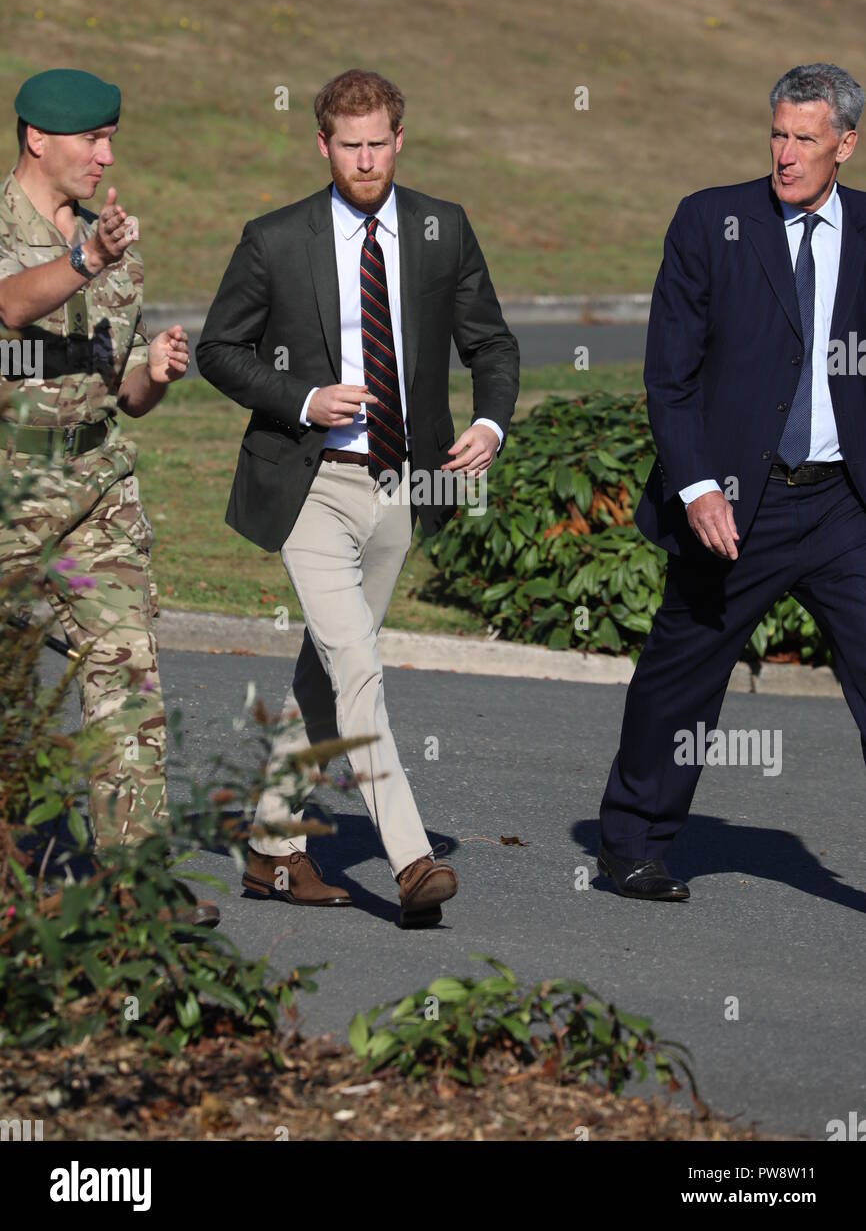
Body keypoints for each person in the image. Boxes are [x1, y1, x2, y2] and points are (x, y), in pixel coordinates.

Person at [197, 68, 519, 927]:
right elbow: (218, 350)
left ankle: (271, 848)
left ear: (399, 140)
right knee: (360, 667)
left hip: (400, 485)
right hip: (307, 483)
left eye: (380, 144)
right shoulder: (275, 239)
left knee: (327, 674)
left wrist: (490, 425)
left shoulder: (442, 229)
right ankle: (411, 860)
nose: (367, 160)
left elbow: (491, 344)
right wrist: (303, 397)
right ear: (323, 145)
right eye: (351, 146)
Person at [597, 62, 866, 902]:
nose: (785, 154)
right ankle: (633, 845)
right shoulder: (712, 222)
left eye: (805, 139)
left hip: (844, 506)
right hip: (740, 503)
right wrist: (699, 487)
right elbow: (669, 376)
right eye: (777, 135)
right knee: (680, 677)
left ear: (845, 145)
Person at [0, 67, 218, 927]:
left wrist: (154, 373)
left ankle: (137, 887)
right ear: (37, 138)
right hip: (10, 492)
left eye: (111, 138)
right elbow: (9, 307)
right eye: (92, 139)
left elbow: (118, 392)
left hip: (94, 493)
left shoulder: (112, 245)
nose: (106, 155)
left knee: (125, 669)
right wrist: (85, 262)